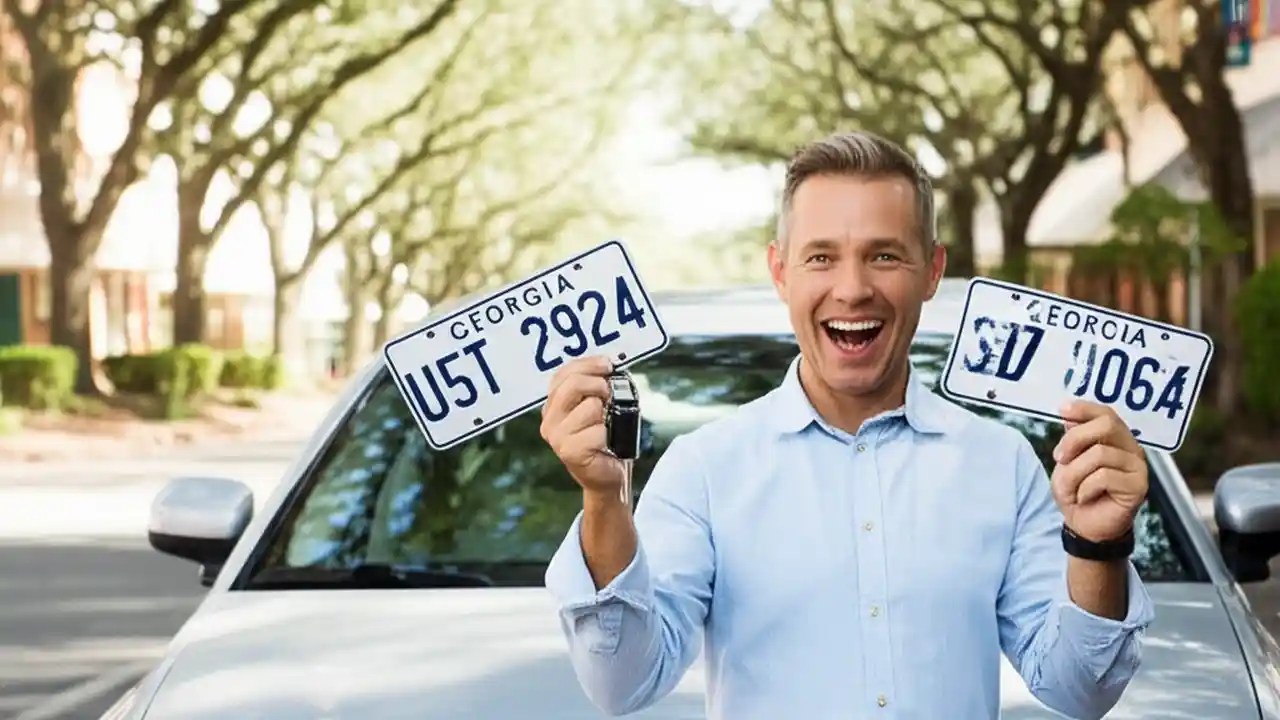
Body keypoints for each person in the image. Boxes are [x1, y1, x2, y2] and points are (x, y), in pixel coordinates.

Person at [540, 130, 1154, 719]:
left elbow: (1080, 690)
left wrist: (1098, 546)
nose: (853, 289)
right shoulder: (704, 470)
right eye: (821, 257)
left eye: (883, 256)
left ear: (932, 271)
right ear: (781, 273)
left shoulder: (1004, 463)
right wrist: (603, 498)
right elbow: (622, 683)